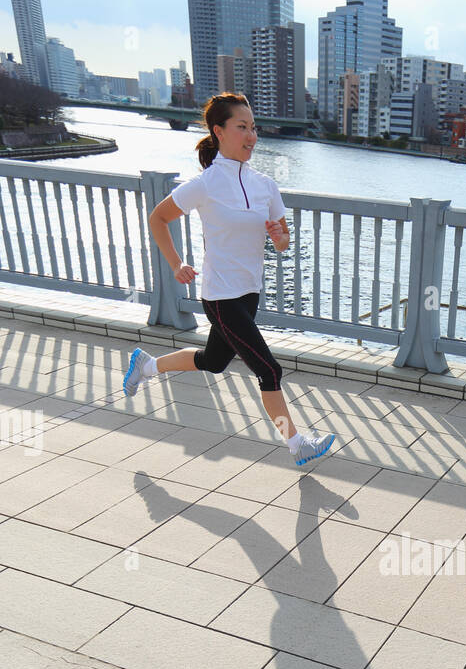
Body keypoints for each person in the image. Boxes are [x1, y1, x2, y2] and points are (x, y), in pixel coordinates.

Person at [123, 92, 335, 468]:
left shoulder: (265, 185)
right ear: (219, 131)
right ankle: (297, 444)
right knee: (269, 370)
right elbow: (158, 218)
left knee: (214, 360)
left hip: (249, 292)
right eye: (242, 128)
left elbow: (284, 242)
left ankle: (147, 365)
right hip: (220, 296)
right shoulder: (205, 184)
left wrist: (277, 235)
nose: (251, 136)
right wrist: (176, 264)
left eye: (253, 128)